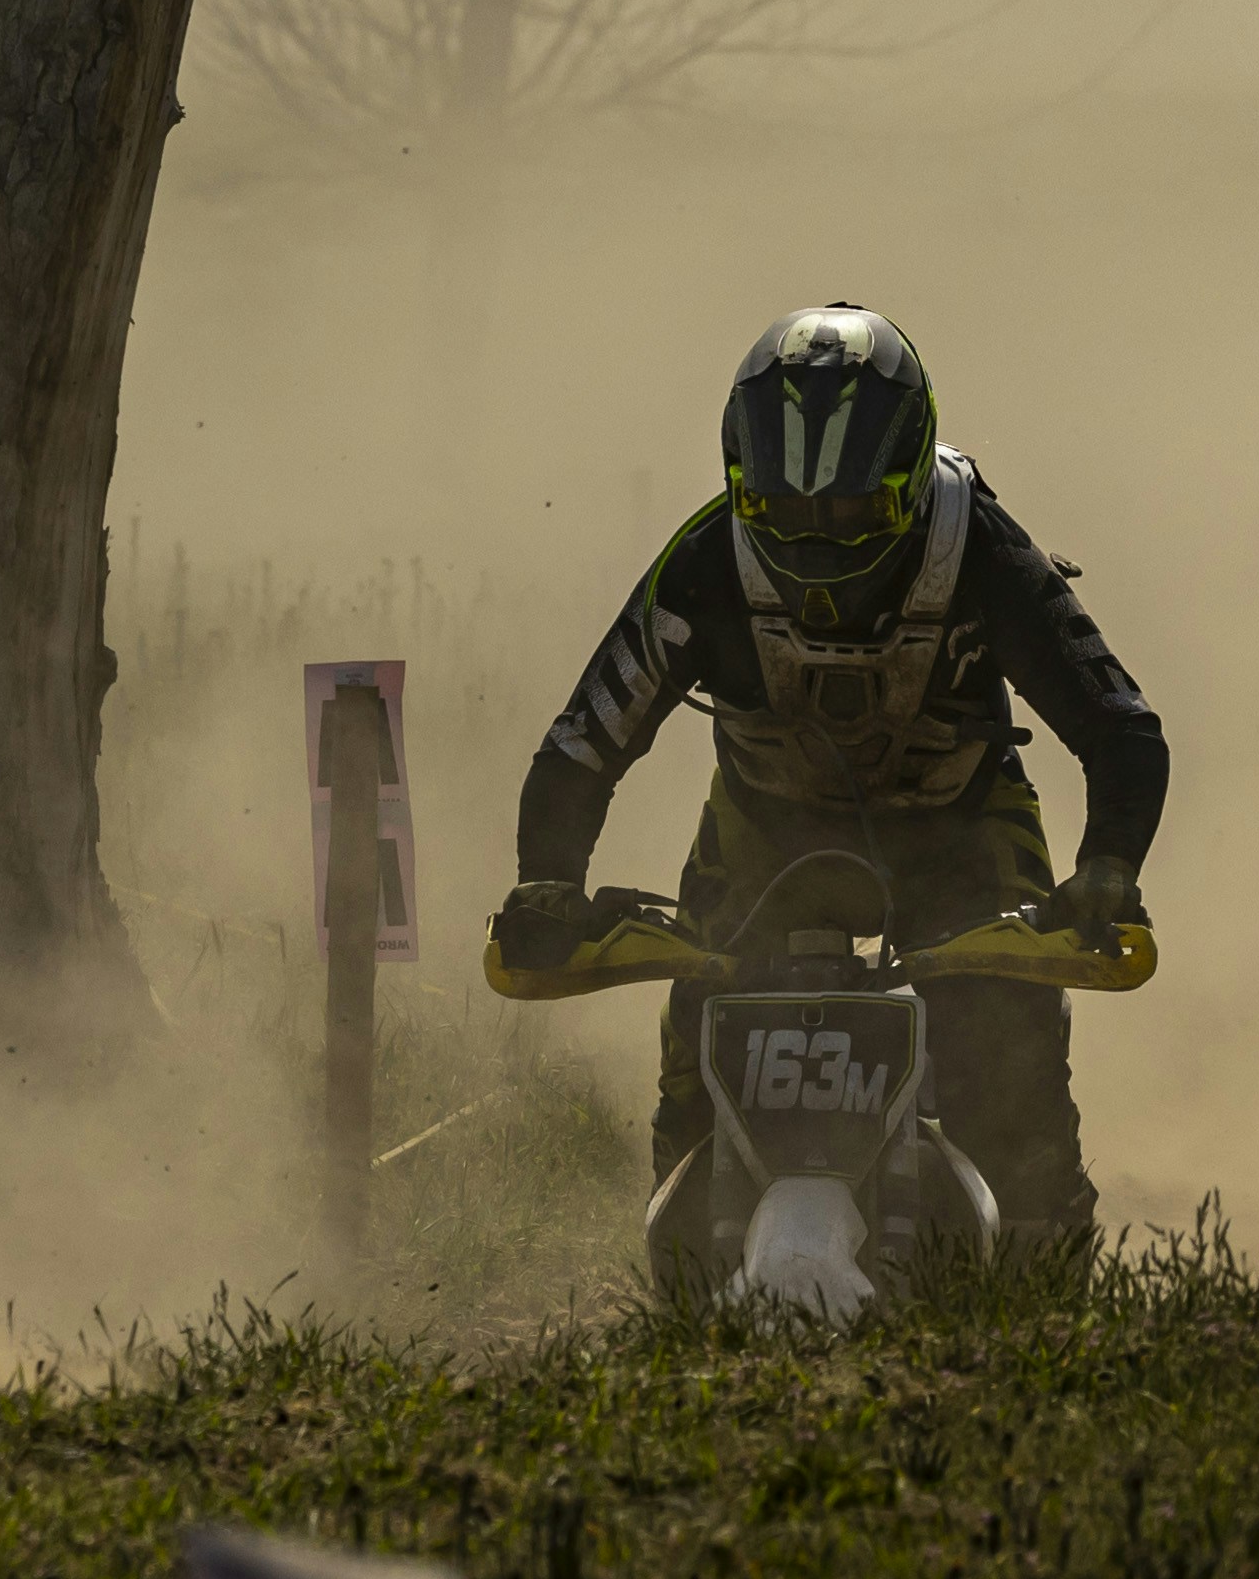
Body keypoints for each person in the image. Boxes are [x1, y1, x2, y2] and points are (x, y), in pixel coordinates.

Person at [494, 305, 1163, 1251]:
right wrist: (547, 882)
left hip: (961, 823)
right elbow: (579, 749)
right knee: (697, 1076)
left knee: (1013, 1090)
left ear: (909, 485)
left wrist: (1106, 873)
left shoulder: (980, 550)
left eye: (849, 512)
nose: (818, 544)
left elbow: (1121, 731)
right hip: (769, 826)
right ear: (742, 488)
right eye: (788, 512)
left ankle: (1047, 1311)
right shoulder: (704, 564)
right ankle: (687, 1300)